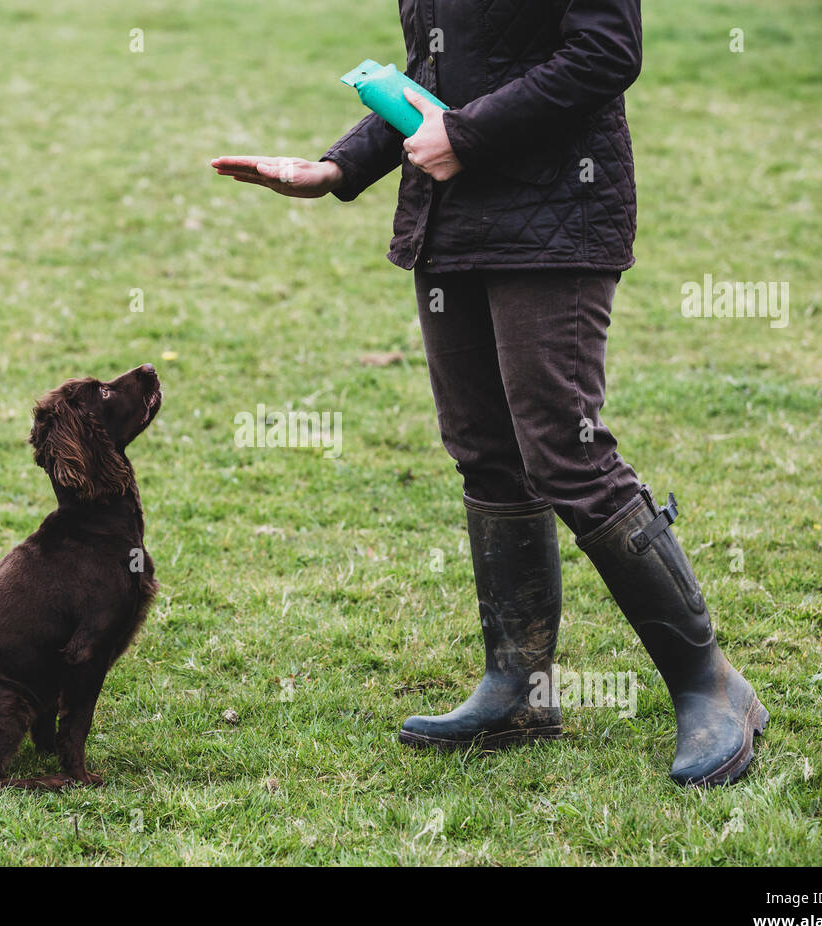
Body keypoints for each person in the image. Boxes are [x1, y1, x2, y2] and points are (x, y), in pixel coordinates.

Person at [211, 0, 767, 787]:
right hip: (455, 219)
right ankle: (519, 689)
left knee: (565, 455)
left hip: (556, 213)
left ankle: (711, 684)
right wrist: (339, 166)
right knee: (485, 454)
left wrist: (467, 137)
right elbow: (441, 80)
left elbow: (606, 52)